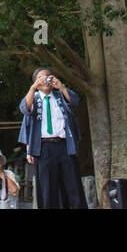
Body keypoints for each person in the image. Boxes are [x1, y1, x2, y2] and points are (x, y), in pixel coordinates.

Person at [18, 67, 87, 209]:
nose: (45, 80)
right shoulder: (34, 98)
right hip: (44, 148)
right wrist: (33, 88)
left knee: (73, 185)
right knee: (47, 189)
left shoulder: (60, 96)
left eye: (48, 77)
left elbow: (74, 102)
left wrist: (61, 87)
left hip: (64, 145)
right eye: (40, 78)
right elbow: (25, 109)